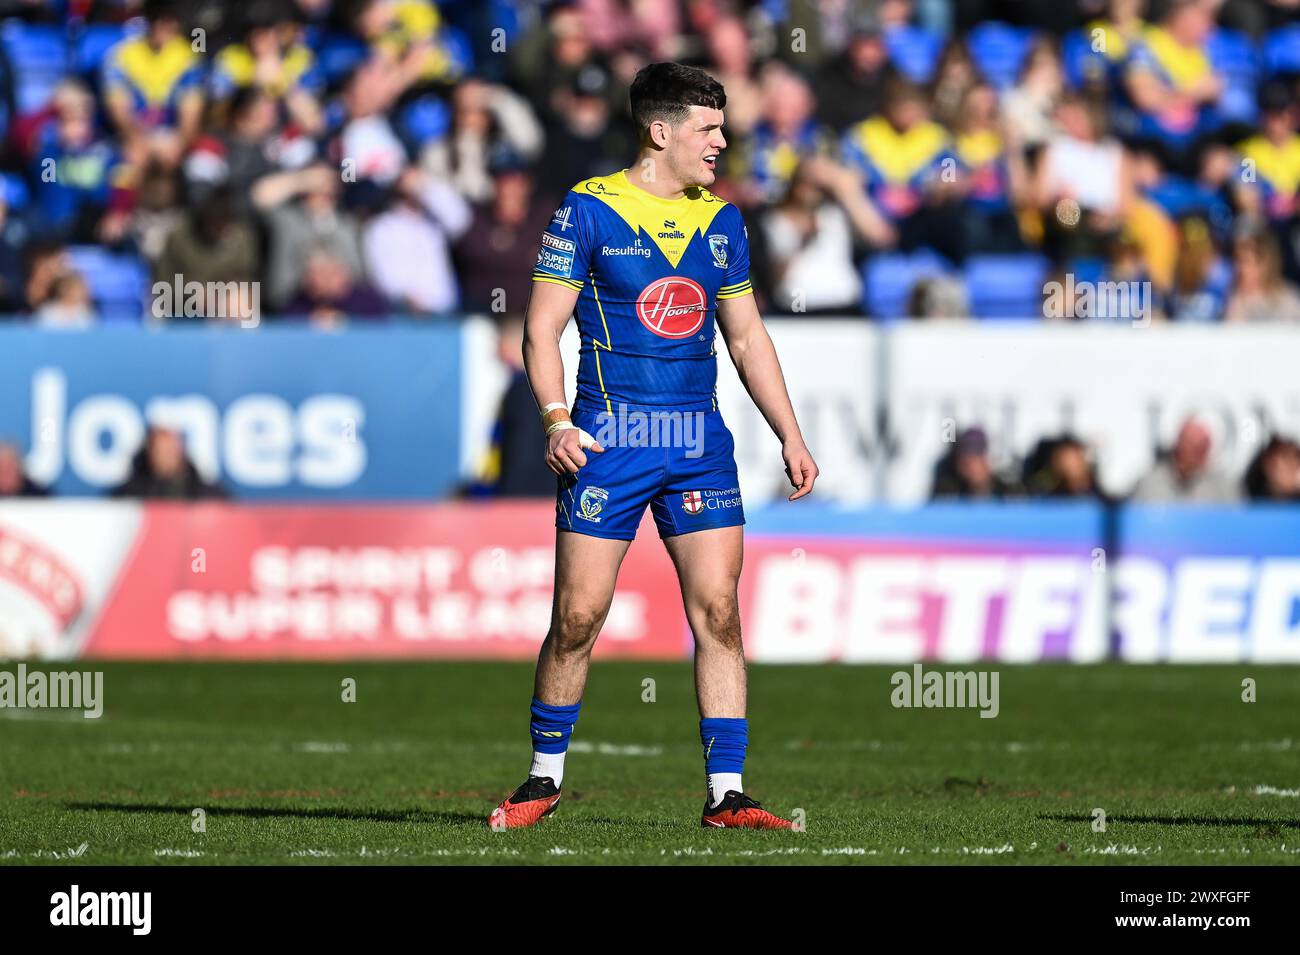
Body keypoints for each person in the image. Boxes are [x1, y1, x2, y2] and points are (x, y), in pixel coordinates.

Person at [491, 62, 818, 831]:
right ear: (659, 131)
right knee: (578, 616)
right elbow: (541, 329)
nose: (722, 141)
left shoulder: (723, 221)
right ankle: (542, 779)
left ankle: (726, 792)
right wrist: (554, 418)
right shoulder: (589, 210)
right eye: (708, 128)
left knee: (720, 613)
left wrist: (790, 433)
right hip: (609, 441)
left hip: (698, 443)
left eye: (723, 126)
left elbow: (746, 337)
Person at [1131, 417, 1241, 502]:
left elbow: (1237, 520)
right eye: (1195, 447)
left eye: (1204, 448)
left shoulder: (1221, 486)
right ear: (1179, 445)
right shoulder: (1151, 484)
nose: (1200, 455)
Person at [111, 425, 226, 500]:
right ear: (150, 453)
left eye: (171, 450)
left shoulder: (205, 495)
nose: (167, 456)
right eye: (160, 451)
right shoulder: (130, 494)